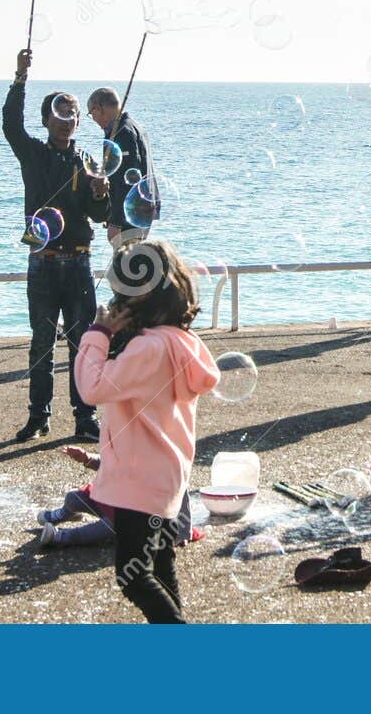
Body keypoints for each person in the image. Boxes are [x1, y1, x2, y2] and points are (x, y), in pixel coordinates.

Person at [75, 241, 220, 623]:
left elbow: (91, 388)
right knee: (159, 562)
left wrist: (98, 333)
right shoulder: (183, 341)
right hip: (167, 473)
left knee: (133, 574)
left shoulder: (146, 349)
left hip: (140, 479)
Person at [5, 48, 112, 442]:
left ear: (79, 121)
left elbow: (98, 216)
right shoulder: (32, 153)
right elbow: (10, 126)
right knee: (41, 345)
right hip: (43, 260)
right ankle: (38, 417)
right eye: (60, 115)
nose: (67, 122)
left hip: (79, 261)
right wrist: (20, 78)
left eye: (72, 116)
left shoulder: (86, 162)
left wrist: (101, 193)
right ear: (46, 119)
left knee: (82, 346)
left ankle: (85, 417)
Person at [35, 445, 202, 549]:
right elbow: (110, 463)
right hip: (118, 499)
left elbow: (181, 489)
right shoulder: (131, 434)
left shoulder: (165, 450)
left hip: (144, 516)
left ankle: (63, 537)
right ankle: (64, 513)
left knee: (114, 525)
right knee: (73, 498)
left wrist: (181, 532)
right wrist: (86, 458)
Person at [87, 86, 158, 248]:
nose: (93, 118)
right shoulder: (132, 126)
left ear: (99, 109)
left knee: (126, 264)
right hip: (142, 210)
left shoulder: (122, 132)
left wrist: (116, 222)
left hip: (132, 212)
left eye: (91, 113)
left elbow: (127, 180)